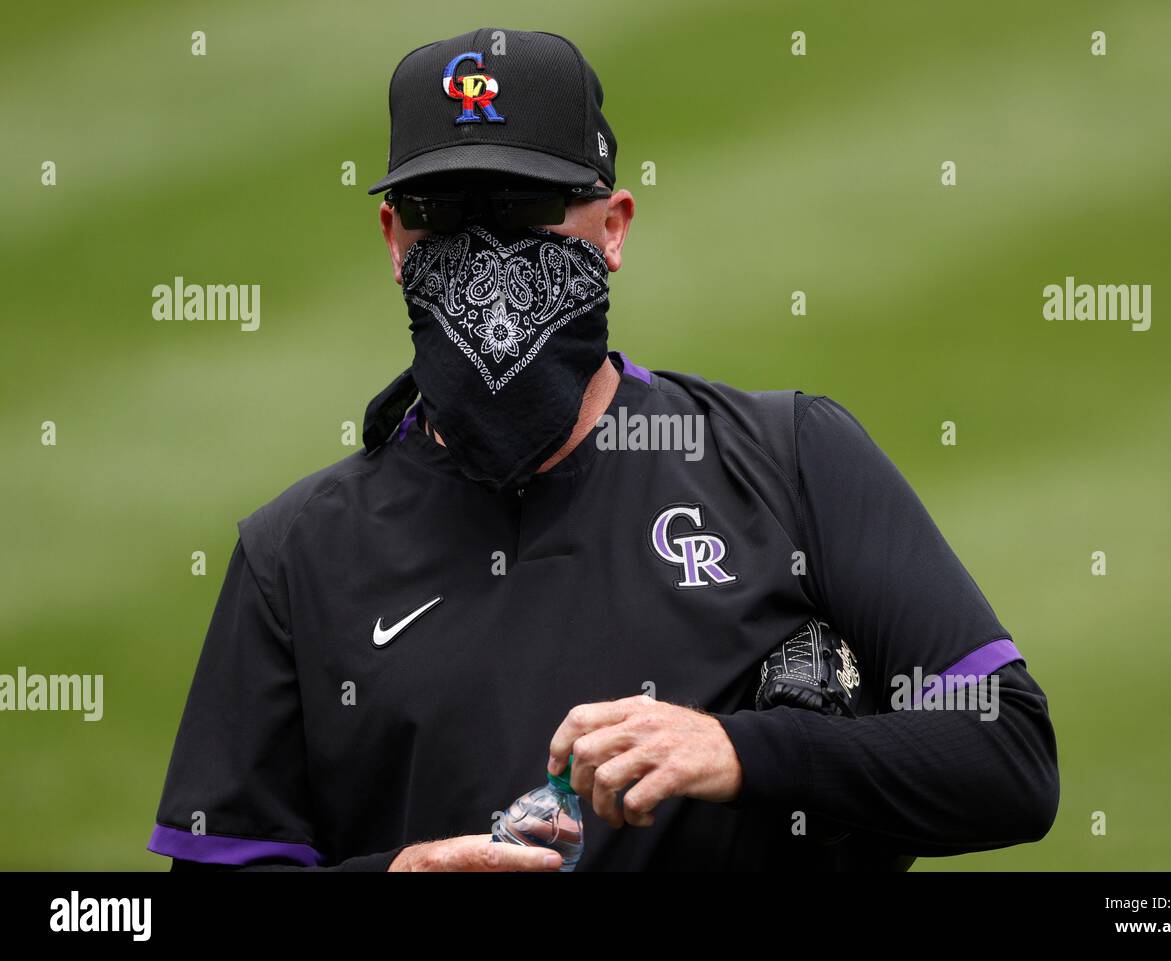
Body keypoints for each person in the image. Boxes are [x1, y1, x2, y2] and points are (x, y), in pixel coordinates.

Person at [149, 27, 1058, 872]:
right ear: (394, 239)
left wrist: (743, 750)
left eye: (528, 205)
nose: (485, 250)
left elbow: (1009, 755)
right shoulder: (295, 555)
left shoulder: (787, 459)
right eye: (445, 209)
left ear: (613, 226)